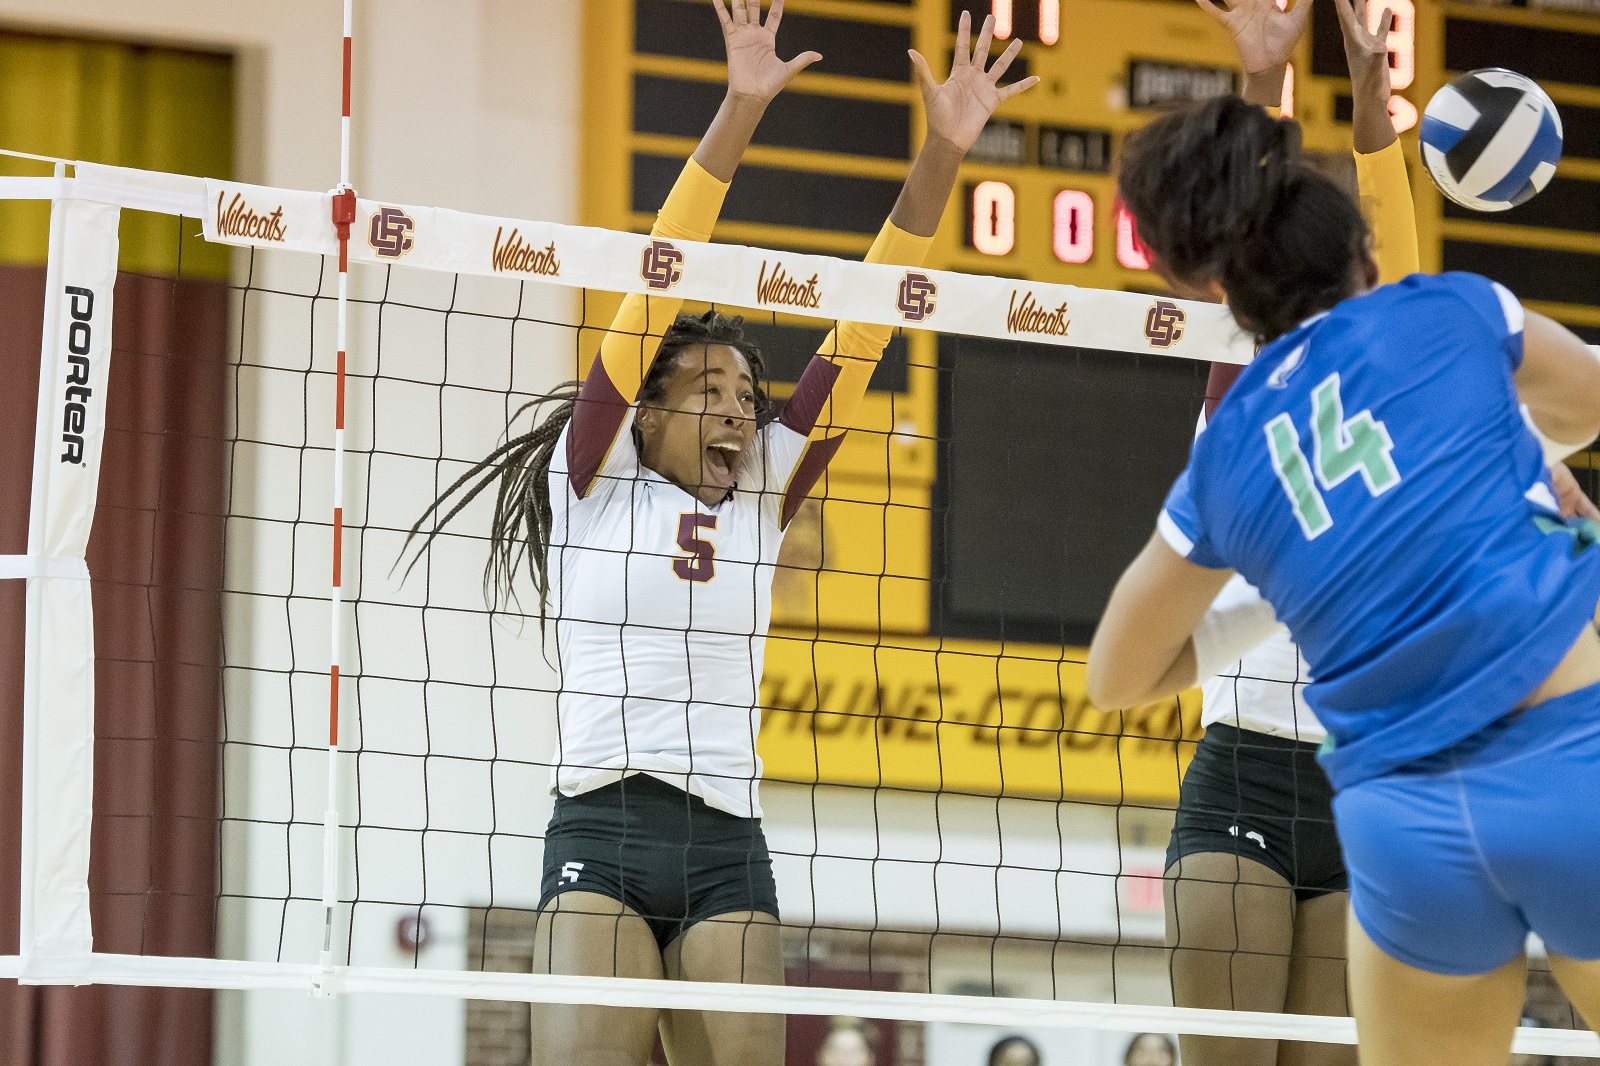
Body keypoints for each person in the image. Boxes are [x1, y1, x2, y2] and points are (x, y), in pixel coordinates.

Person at [405, 4, 1037, 1064]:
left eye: (749, 396)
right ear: (645, 410)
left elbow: (867, 321)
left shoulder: (766, 488)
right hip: (602, 829)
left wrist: (943, 151)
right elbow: (658, 274)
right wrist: (741, 107)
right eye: (709, 391)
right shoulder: (592, 475)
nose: (740, 413)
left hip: (727, 845)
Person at [1086, 65, 1600, 1066]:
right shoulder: (1453, 314)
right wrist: (1519, 469)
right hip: (1559, 752)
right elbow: (1585, 404)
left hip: (1402, 822)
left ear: (1228, 294)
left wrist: (1281, 594)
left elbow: (1115, 677)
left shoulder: (1230, 457)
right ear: (1364, 254)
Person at [1158, 3, 1414, 1065]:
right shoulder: (1245, 386)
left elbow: (1392, 261)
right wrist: (1264, 80)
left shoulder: (1403, 395)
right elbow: (1248, 227)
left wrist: (1371, 100)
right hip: (1246, 768)